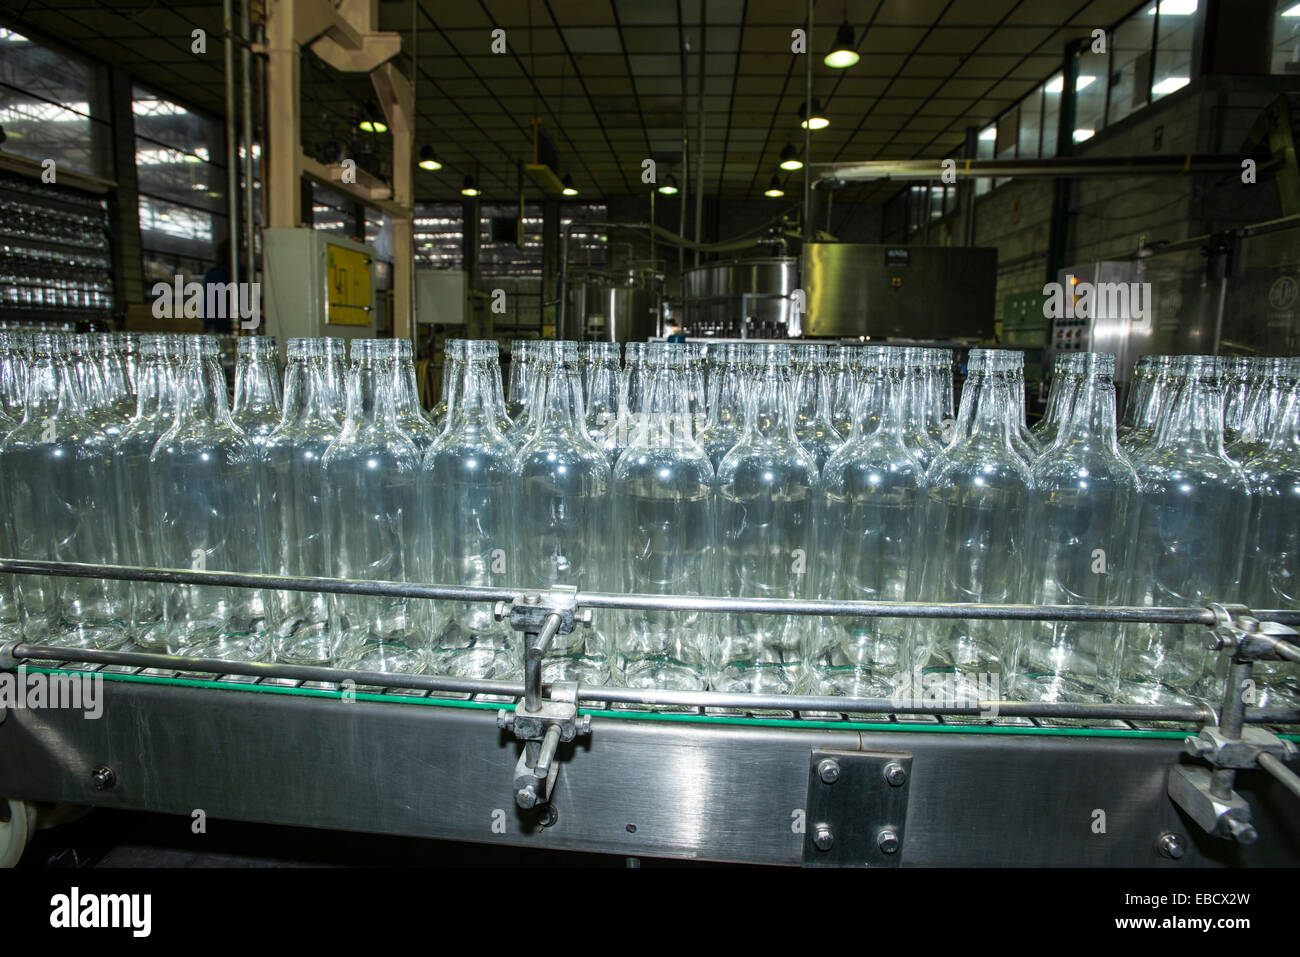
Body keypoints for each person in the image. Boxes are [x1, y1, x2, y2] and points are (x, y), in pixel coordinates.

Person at [202, 240, 234, 335]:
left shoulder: (238, 275)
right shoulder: (218, 274)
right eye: (243, 251)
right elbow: (211, 304)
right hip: (221, 327)